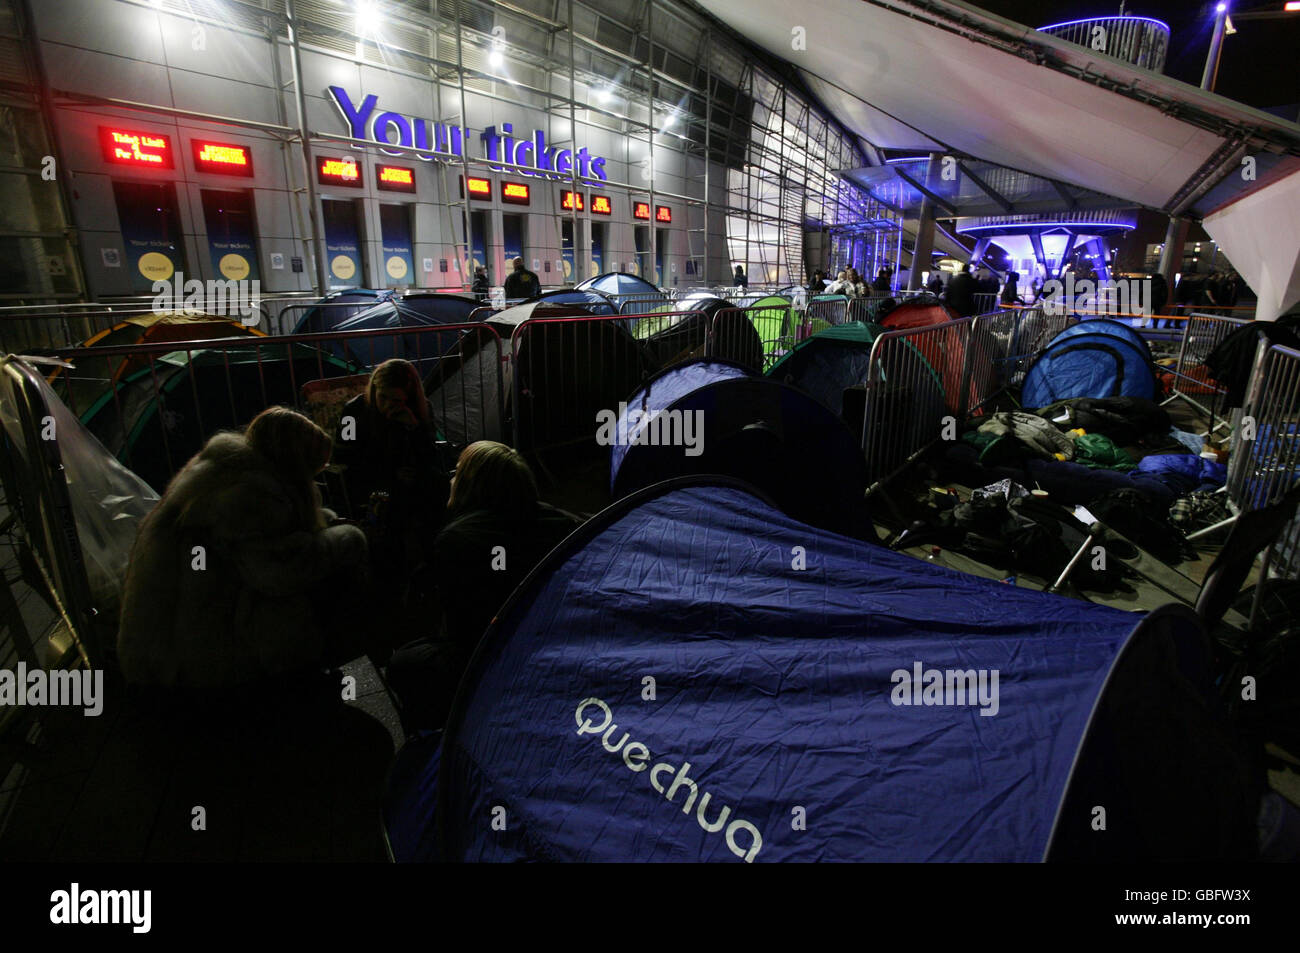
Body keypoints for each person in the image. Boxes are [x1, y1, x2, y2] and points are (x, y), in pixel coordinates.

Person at [116, 407, 370, 691]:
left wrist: (326, 522)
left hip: (156, 649)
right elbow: (279, 572)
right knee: (331, 586)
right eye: (314, 469)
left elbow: (265, 539)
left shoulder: (222, 471)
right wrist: (347, 538)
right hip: (196, 662)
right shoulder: (251, 496)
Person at [385, 441, 582, 731]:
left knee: (404, 665)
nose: (452, 477)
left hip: (496, 659)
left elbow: (462, 628)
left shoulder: (459, 540)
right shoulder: (564, 522)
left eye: (458, 471)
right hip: (560, 643)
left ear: (469, 484)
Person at [332, 359, 449, 578]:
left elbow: (430, 455)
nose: (386, 405)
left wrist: (414, 428)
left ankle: (434, 559)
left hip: (412, 477)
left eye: (395, 400)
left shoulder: (422, 409)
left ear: (408, 398)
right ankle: (392, 567)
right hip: (373, 480)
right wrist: (388, 470)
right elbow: (343, 455)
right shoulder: (354, 412)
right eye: (382, 397)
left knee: (436, 489)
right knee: (391, 498)